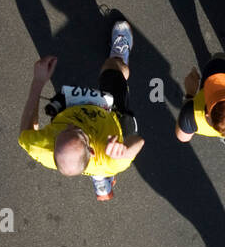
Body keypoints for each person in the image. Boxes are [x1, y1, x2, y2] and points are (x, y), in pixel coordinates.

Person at [18, 19, 145, 182]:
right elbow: (139, 142)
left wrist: (38, 81)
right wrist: (124, 150)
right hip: (112, 116)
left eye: (63, 131)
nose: (72, 125)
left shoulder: (41, 148)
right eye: (79, 132)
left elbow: (25, 131)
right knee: (114, 68)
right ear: (91, 150)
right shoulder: (107, 158)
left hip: (76, 108)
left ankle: (100, 181)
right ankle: (119, 56)